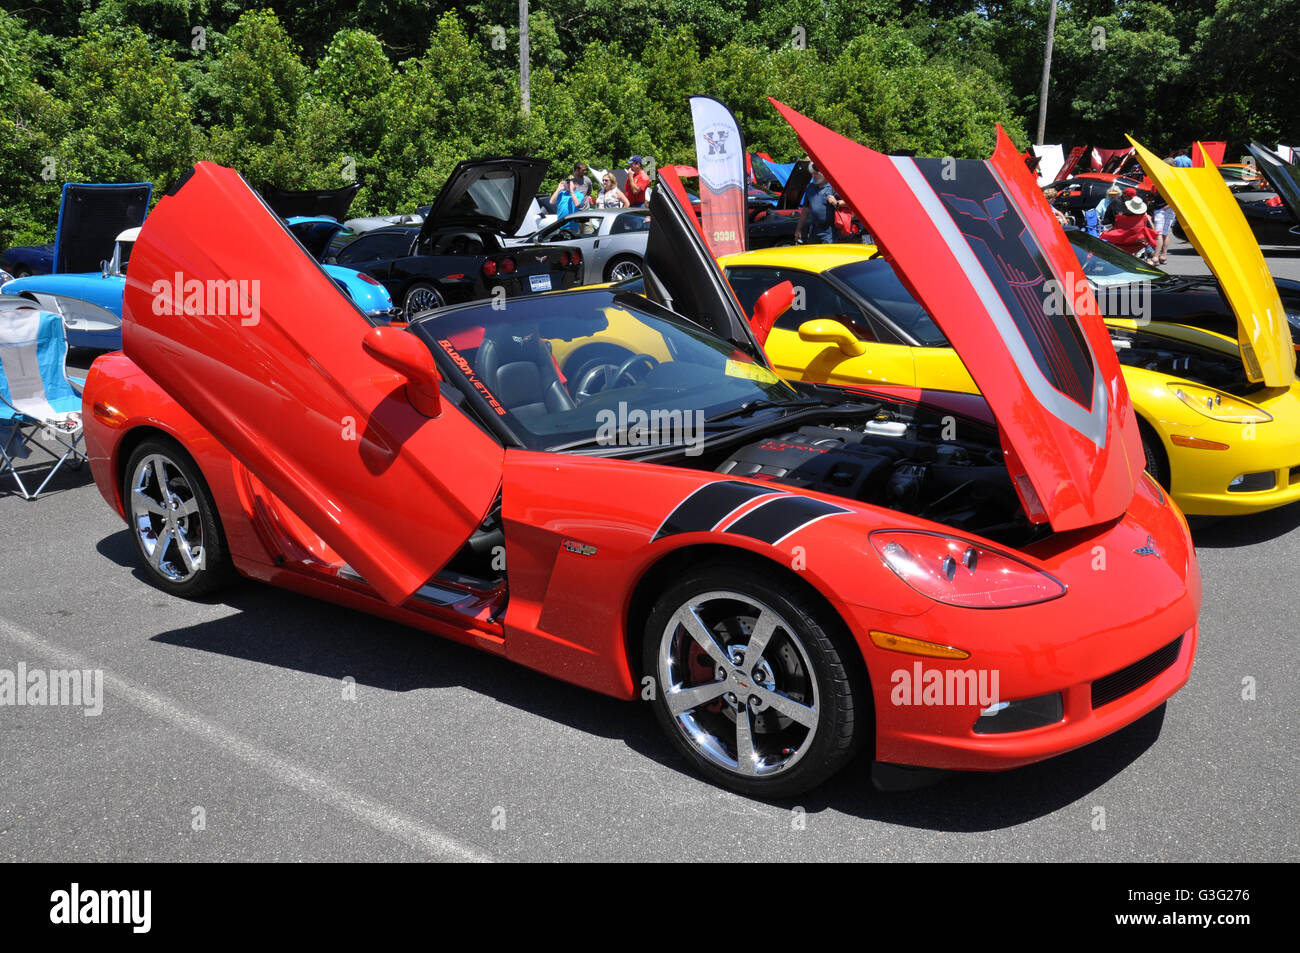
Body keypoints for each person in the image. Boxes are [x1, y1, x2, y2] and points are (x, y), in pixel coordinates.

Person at [794, 164, 846, 244]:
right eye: (812, 173)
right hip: (814, 230)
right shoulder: (810, 188)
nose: (813, 176)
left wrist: (837, 202)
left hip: (830, 231)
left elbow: (849, 203)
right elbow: (805, 211)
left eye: (816, 173)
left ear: (824, 173)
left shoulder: (833, 187)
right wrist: (798, 229)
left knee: (827, 255)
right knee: (814, 255)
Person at [1101, 188, 1159, 259]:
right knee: (1145, 235)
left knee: (1107, 236)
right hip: (1137, 242)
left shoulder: (1120, 218)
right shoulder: (1143, 218)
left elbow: (1110, 225)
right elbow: (1150, 229)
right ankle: (1150, 251)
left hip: (1121, 241)